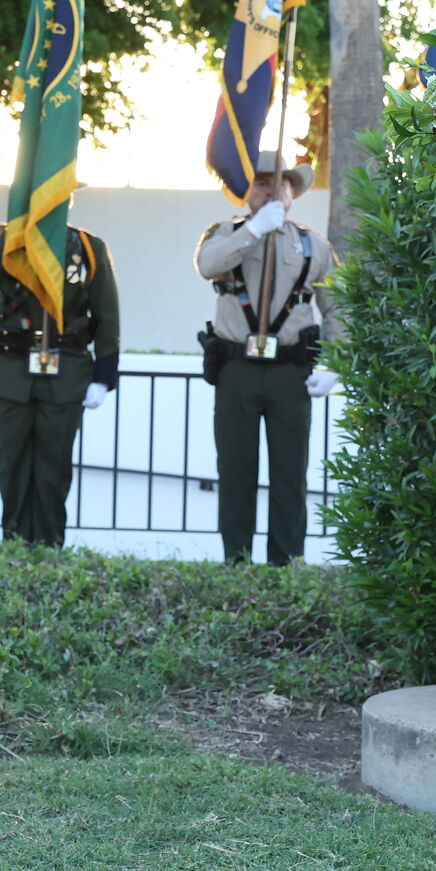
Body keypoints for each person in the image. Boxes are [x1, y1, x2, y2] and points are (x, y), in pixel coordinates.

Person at [194, 152, 343, 565]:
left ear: (292, 192)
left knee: (290, 476)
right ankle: (236, 562)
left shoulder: (313, 244)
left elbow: (339, 308)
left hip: (290, 373)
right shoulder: (224, 233)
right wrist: (254, 232)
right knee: (236, 472)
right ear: (247, 191)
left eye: (280, 183)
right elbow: (209, 265)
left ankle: (286, 564)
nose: (270, 190)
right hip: (236, 370)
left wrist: (335, 363)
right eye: (261, 183)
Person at [0, 220, 120, 547]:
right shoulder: (8, 237)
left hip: (66, 370)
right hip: (10, 370)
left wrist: (104, 376)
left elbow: (107, 314)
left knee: (53, 470)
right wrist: (26, 232)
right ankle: (14, 544)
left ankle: (48, 547)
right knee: (11, 465)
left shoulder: (87, 247)